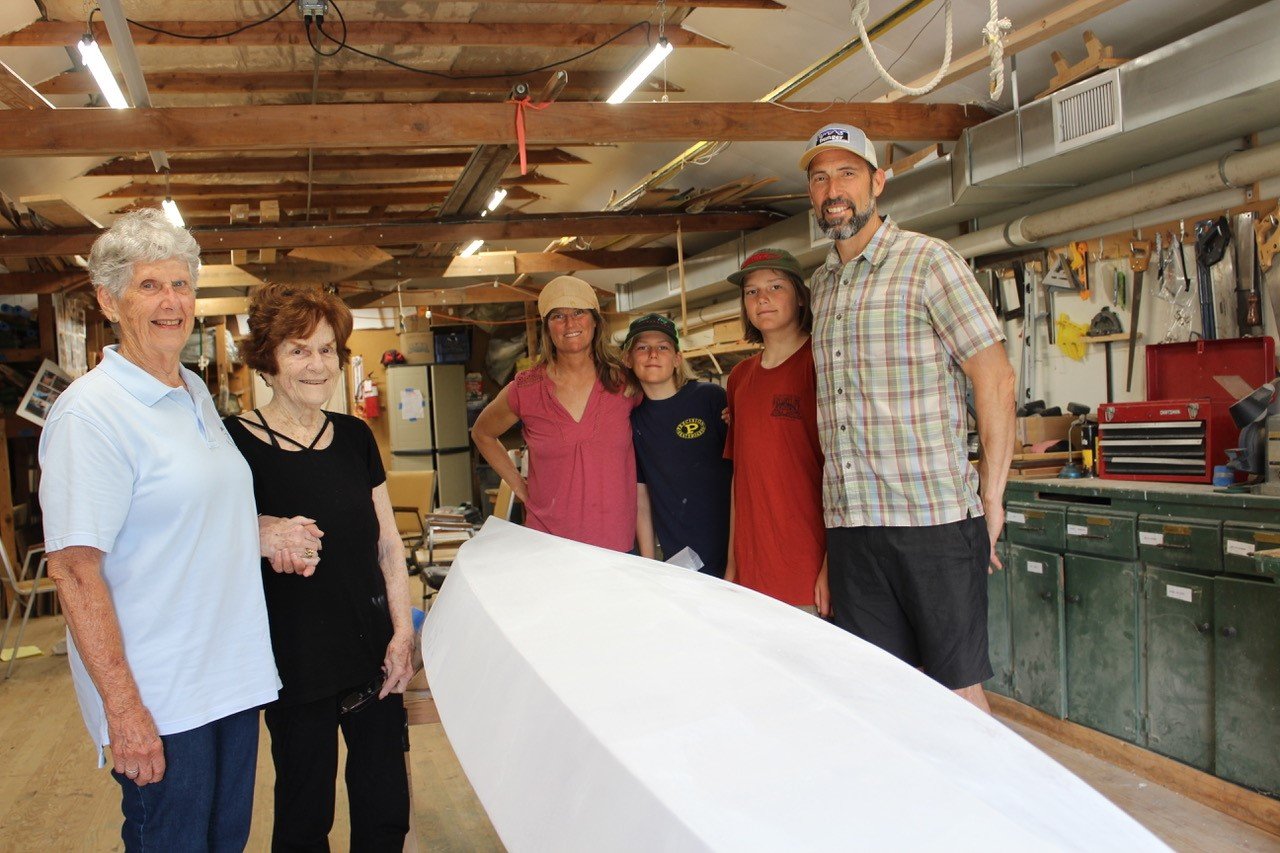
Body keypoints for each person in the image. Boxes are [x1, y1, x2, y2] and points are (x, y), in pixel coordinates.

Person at [38, 209, 321, 851]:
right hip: (163, 697)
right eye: (149, 286)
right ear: (110, 301)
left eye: (182, 285)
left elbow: (193, 514)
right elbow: (75, 570)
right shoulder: (91, 415)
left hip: (230, 678)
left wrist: (265, 531)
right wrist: (125, 710)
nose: (172, 302)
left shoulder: (191, 389)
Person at [801, 122, 1016, 711]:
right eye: (820, 178)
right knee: (878, 698)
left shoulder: (930, 263)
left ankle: (983, 803)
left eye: (847, 173)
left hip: (932, 520)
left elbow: (995, 380)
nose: (832, 189)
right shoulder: (823, 287)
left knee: (957, 693)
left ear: (878, 182)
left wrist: (991, 501)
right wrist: (829, 545)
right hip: (852, 527)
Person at [225, 282, 415, 851]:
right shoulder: (233, 444)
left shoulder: (355, 437)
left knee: (385, 808)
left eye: (328, 349)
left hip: (372, 653)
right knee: (305, 816)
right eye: (299, 349)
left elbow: (387, 545)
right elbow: (211, 543)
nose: (317, 364)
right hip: (294, 661)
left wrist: (403, 631)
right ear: (268, 359)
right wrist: (260, 532)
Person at [472, 276, 640, 551]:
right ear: (547, 327)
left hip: (616, 545)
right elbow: (482, 433)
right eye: (558, 316)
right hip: (548, 544)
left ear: (595, 321)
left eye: (578, 313)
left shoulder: (625, 383)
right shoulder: (526, 389)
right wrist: (519, 486)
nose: (570, 324)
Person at [723, 249, 828, 614]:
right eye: (751, 291)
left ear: (800, 296)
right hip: (751, 573)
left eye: (775, 286)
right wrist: (733, 564)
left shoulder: (821, 363)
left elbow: (845, 472)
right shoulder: (739, 379)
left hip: (805, 569)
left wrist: (831, 565)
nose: (761, 298)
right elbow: (742, 477)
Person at [624, 313, 733, 576]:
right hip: (681, 562)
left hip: (730, 548)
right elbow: (642, 498)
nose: (653, 354)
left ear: (677, 359)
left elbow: (742, 473)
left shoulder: (710, 399)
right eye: (642, 347)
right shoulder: (633, 419)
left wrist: (736, 561)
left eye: (663, 347)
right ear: (628, 359)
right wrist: (650, 567)